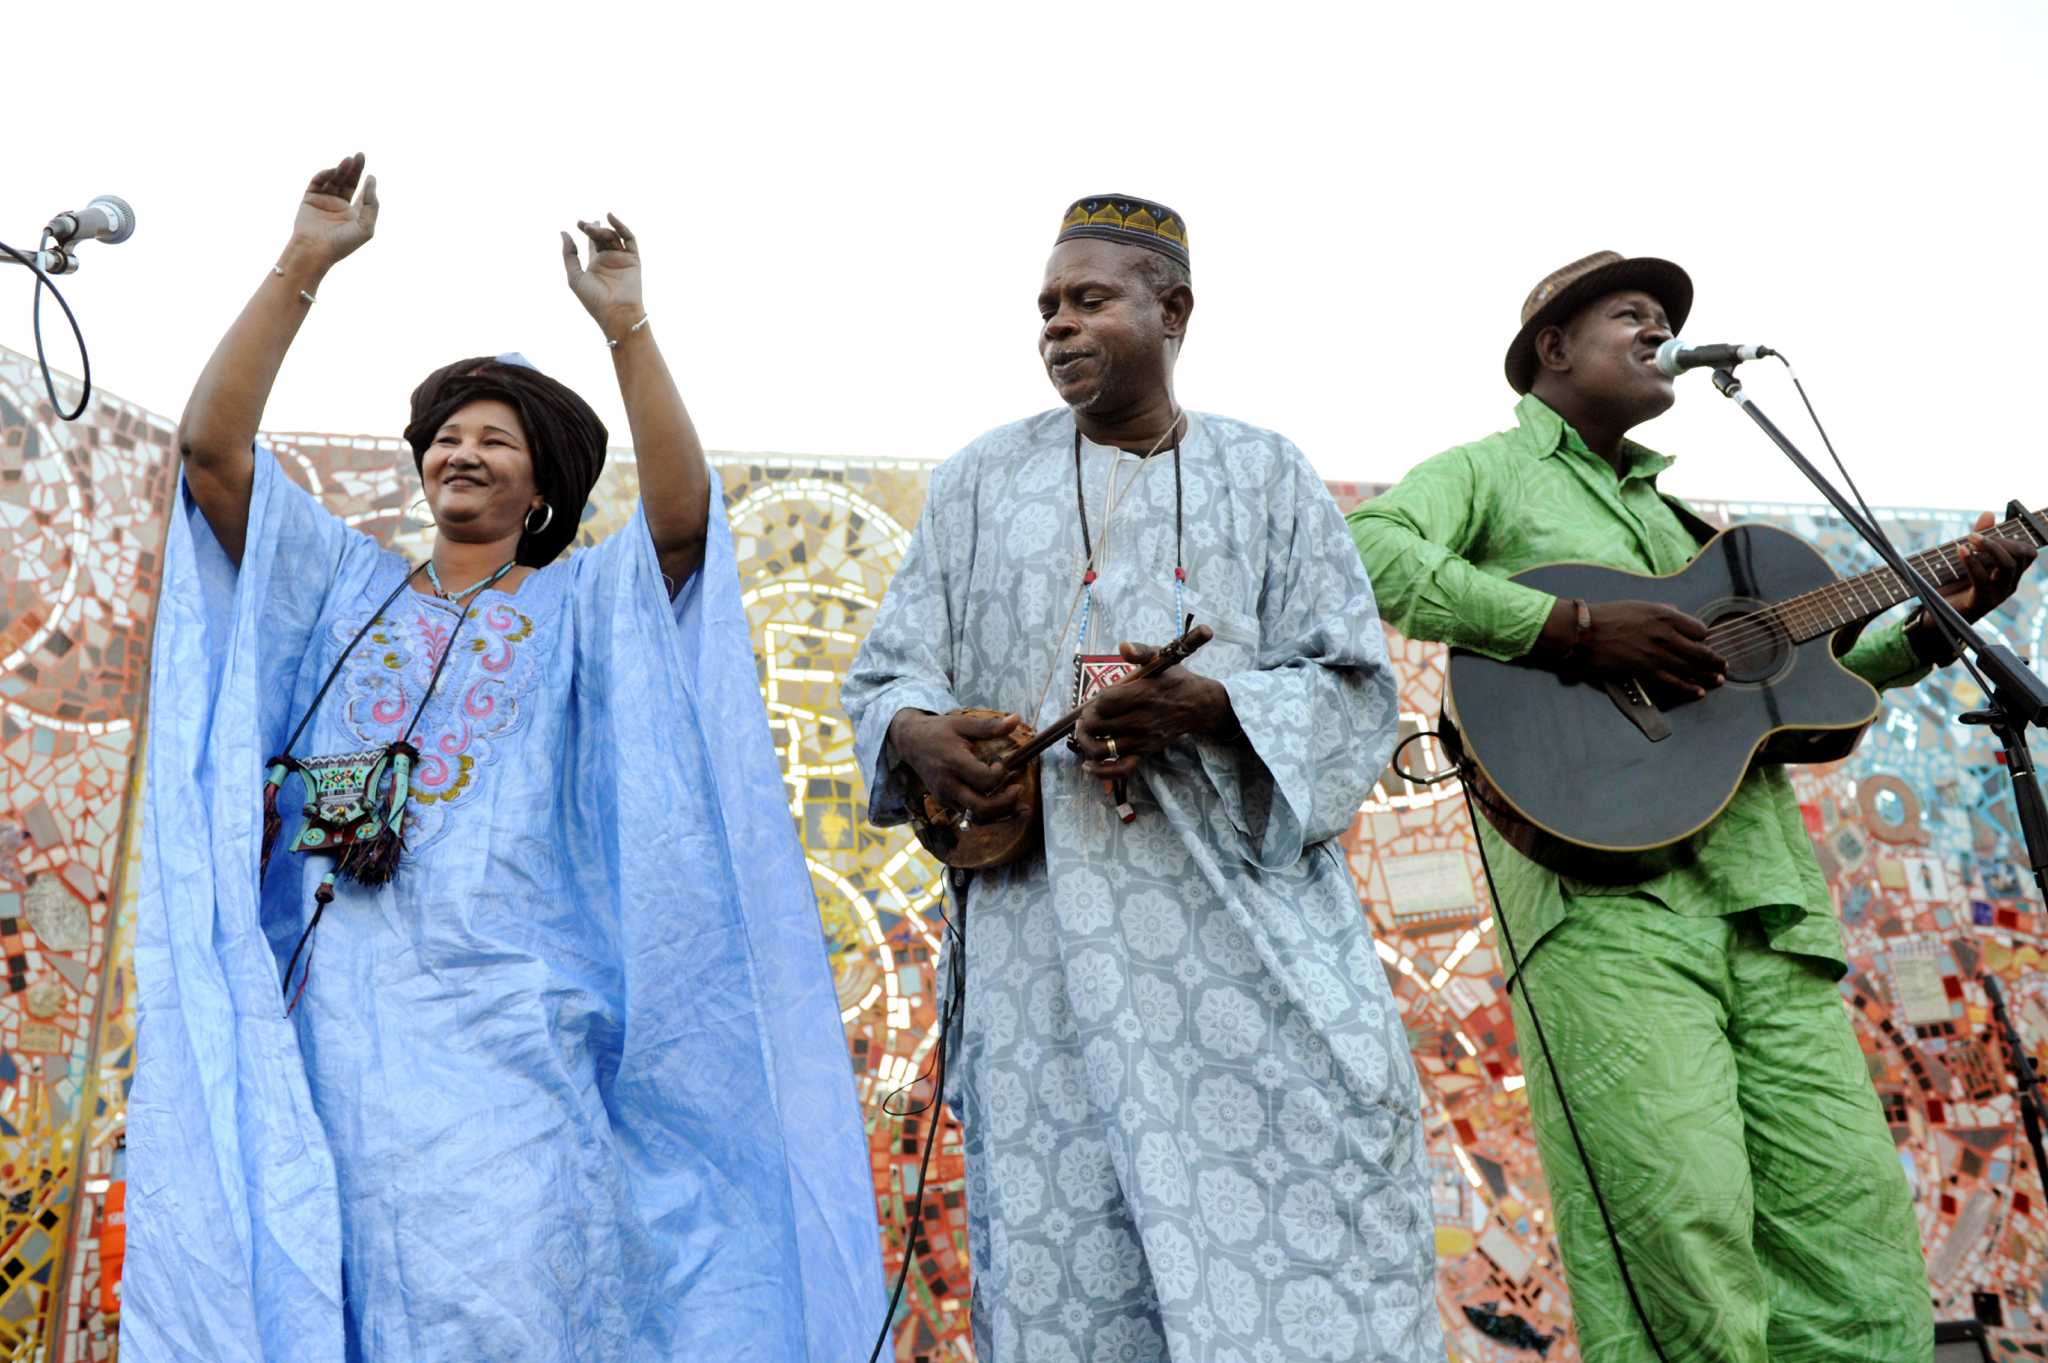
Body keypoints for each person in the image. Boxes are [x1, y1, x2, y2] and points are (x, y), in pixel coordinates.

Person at [127, 153, 882, 1362]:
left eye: (495, 438)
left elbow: (681, 524)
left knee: (511, 1310)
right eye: (446, 435)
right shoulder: (340, 588)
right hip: (335, 1039)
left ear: (543, 484)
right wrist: (305, 262)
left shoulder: (582, 606)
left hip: (515, 1037)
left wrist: (627, 328)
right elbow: (213, 455)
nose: (462, 452)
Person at [1348, 250, 2040, 1362]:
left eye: (1666, 319)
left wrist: (1933, 617)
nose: (1658, 331)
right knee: (1682, 1232)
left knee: (1856, 1239)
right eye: (1631, 314)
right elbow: (1368, 550)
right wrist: (1572, 628)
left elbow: (1810, 690)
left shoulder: (1693, 537)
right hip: (1603, 911)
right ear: (1552, 349)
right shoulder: (1486, 472)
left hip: (1766, 907)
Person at [842, 196, 1443, 1363]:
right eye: (1045, 307)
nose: (1057, 326)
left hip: (1238, 949)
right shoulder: (978, 481)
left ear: (1171, 312)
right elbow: (886, 673)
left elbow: (1354, 689)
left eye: (1088, 300)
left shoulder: (1266, 474)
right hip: (1041, 960)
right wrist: (917, 733)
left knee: (1306, 1251)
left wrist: (1208, 703)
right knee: (1070, 1279)